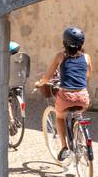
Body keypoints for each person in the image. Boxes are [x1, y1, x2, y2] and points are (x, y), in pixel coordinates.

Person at [36, 26, 92, 162]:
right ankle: (79, 136)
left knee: (60, 117)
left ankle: (64, 146)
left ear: (65, 42)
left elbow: (48, 76)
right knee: (78, 113)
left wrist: (40, 83)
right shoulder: (87, 57)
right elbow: (88, 76)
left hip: (66, 96)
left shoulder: (60, 56)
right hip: (83, 97)